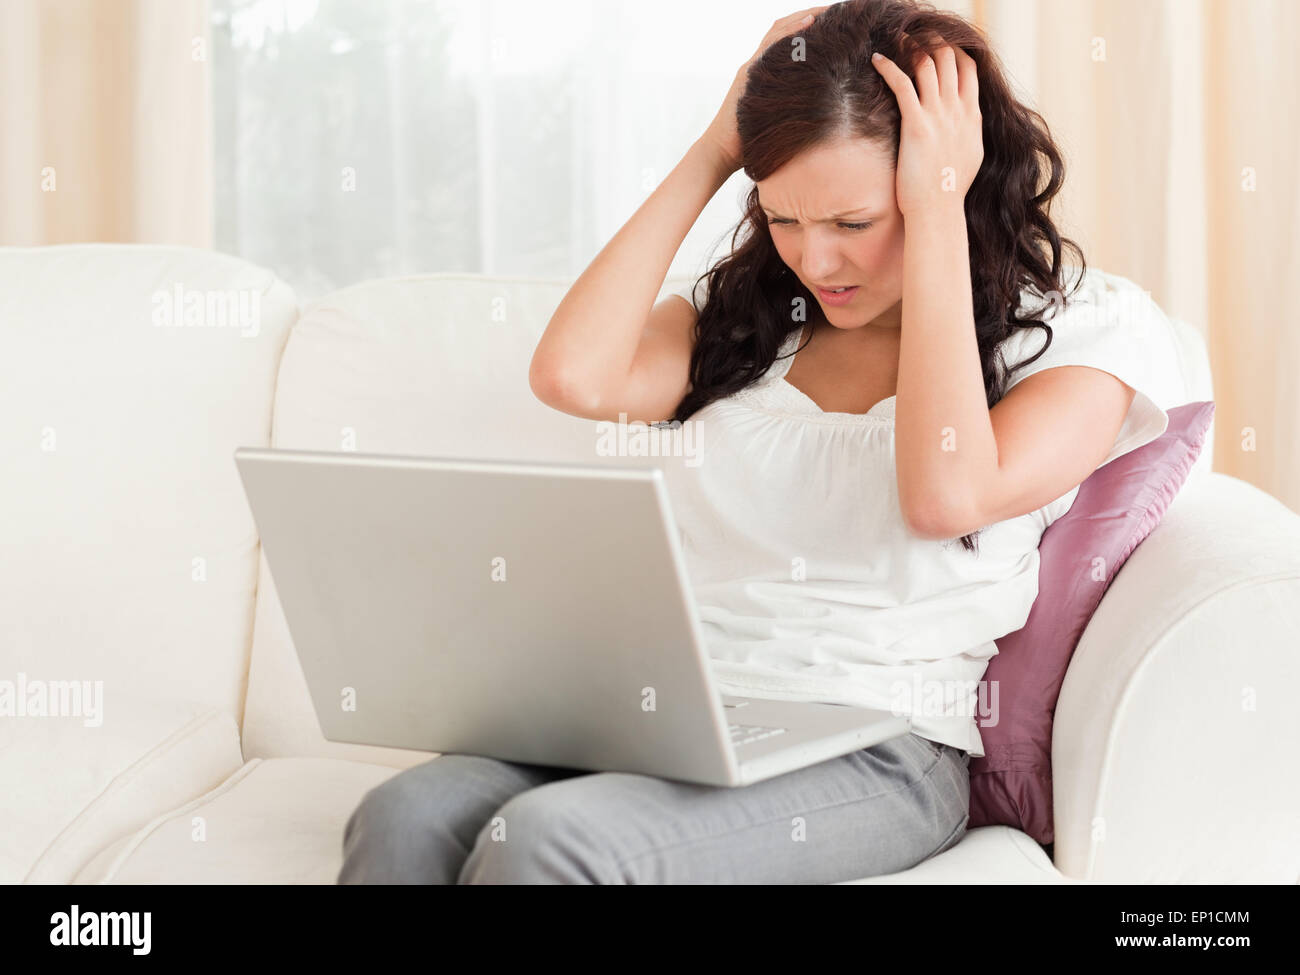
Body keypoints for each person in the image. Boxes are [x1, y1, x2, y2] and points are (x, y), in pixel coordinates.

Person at [338, 0, 1178, 884]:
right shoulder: (748, 322)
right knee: (405, 815)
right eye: (783, 219)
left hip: (878, 742)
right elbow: (573, 378)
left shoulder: (1081, 328)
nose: (815, 264)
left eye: (853, 223)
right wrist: (713, 149)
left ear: (952, 179)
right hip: (668, 711)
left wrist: (936, 215)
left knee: (554, 839)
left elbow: (944, 494)